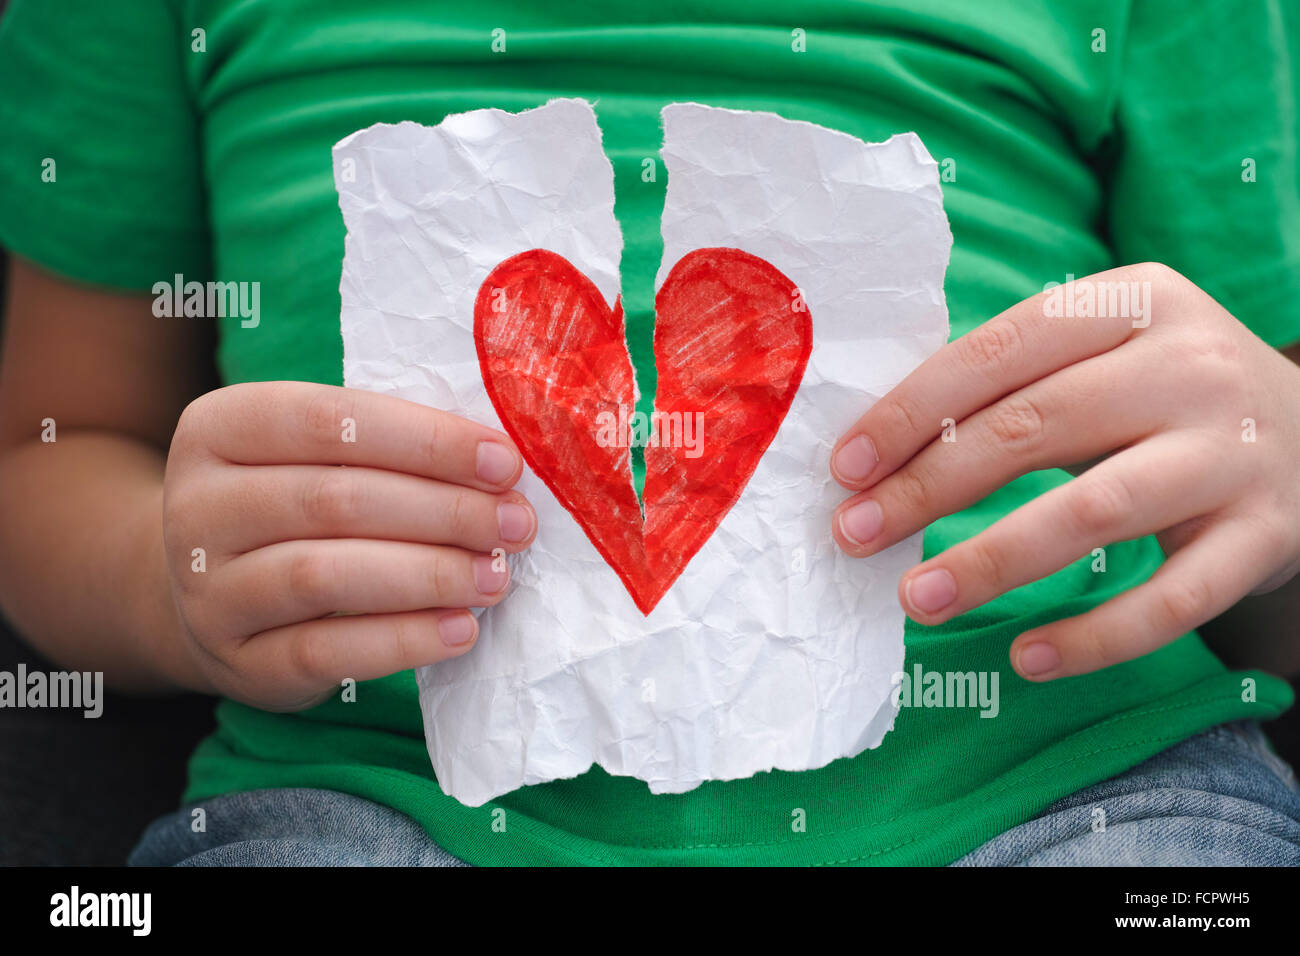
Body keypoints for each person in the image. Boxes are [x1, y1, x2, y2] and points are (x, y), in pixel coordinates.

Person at [0, 0, 1297, 866]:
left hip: (1076, 781)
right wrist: (172, 583)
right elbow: (54, 449)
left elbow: (1256, 533)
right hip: (380, 800)